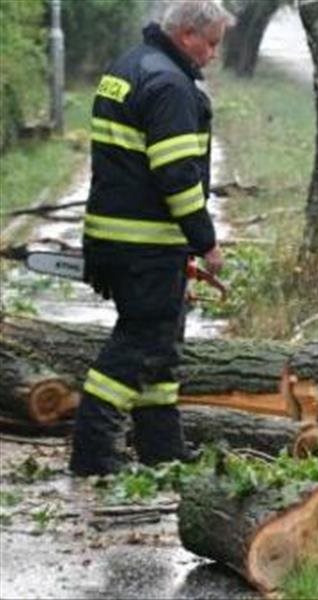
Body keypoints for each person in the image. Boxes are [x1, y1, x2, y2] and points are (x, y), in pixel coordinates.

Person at [70, 0, 235, 476]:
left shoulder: (130, 66)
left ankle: (162, 447)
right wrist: (205, 241)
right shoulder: (170, 85)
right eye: (211, 44)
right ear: (186, 35)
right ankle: (93, 453)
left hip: (117, 235)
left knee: (160, 347)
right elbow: (176, 174)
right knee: (140, 343)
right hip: (145, 243)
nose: (213, 55)